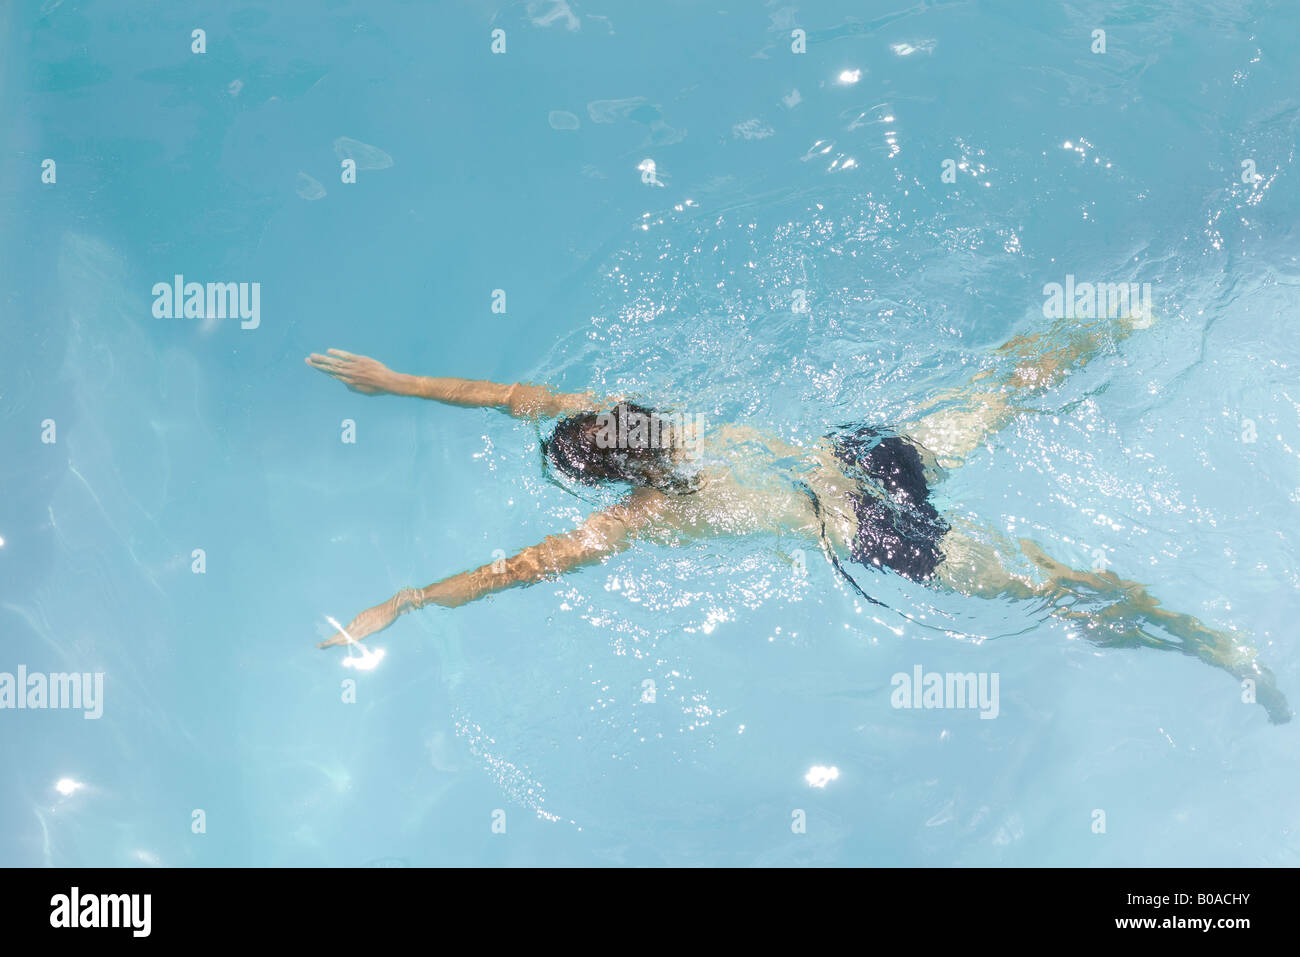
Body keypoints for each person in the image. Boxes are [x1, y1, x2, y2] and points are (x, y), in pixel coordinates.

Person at [305, 308, 1290, 724]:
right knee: (1007, 382)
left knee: (1052, 587)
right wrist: (398, 382)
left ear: (610, 477)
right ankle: (1126, 317)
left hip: (869, 532)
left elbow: (516, 568)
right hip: (858, 454)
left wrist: (407, 599)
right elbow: (509, 393)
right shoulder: (655, 423)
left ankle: (1208, 644)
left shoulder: (647, 517)